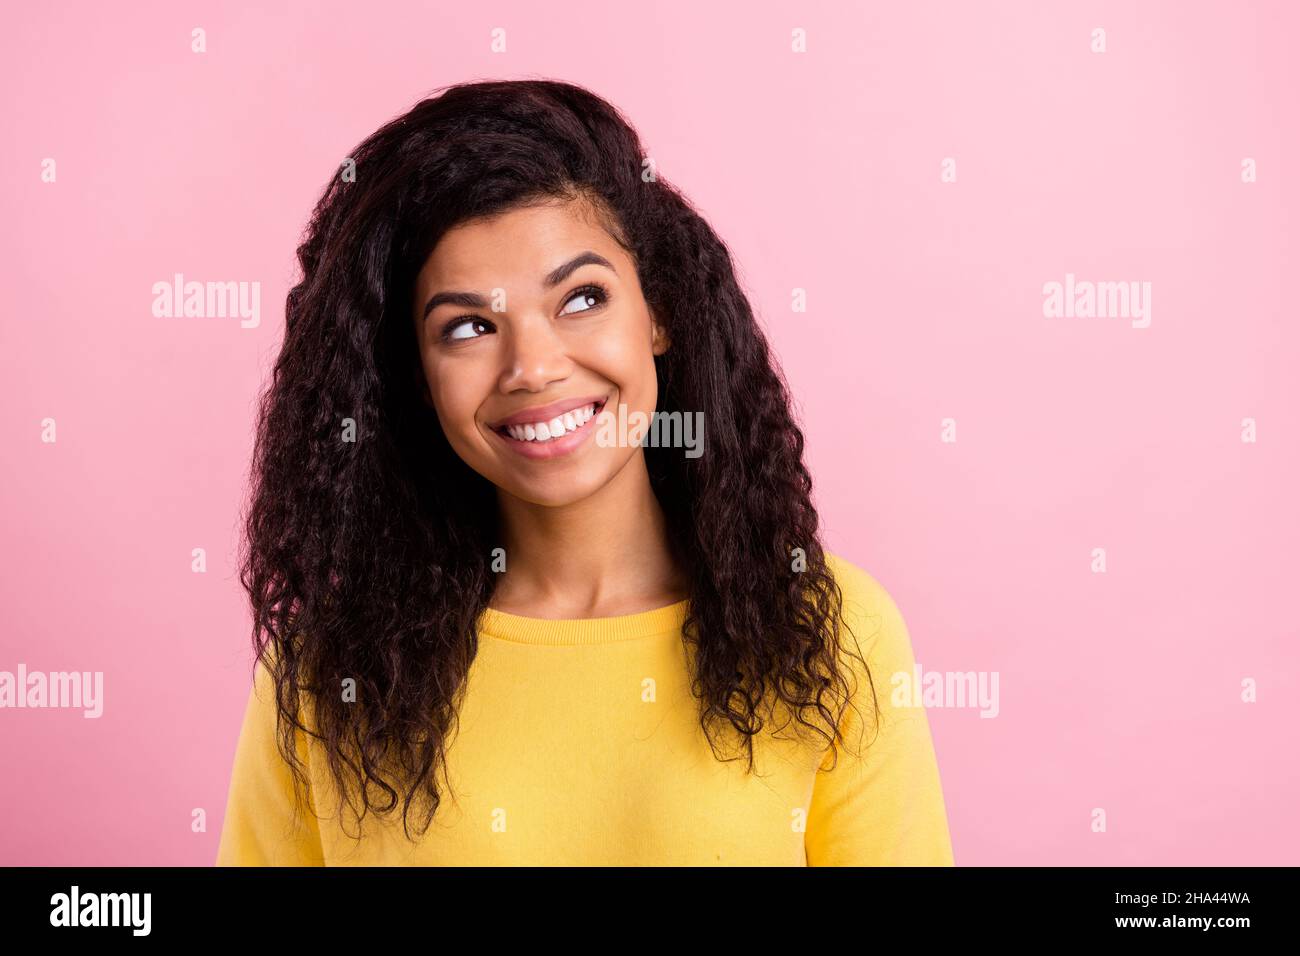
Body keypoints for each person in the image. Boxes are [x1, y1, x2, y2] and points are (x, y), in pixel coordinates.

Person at [216, 79, 954, 866]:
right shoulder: (328, 674)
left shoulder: (831, 632)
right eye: (468, 327)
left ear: (659, 311)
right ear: (414, 377)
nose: (532, 368)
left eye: (580, 299)